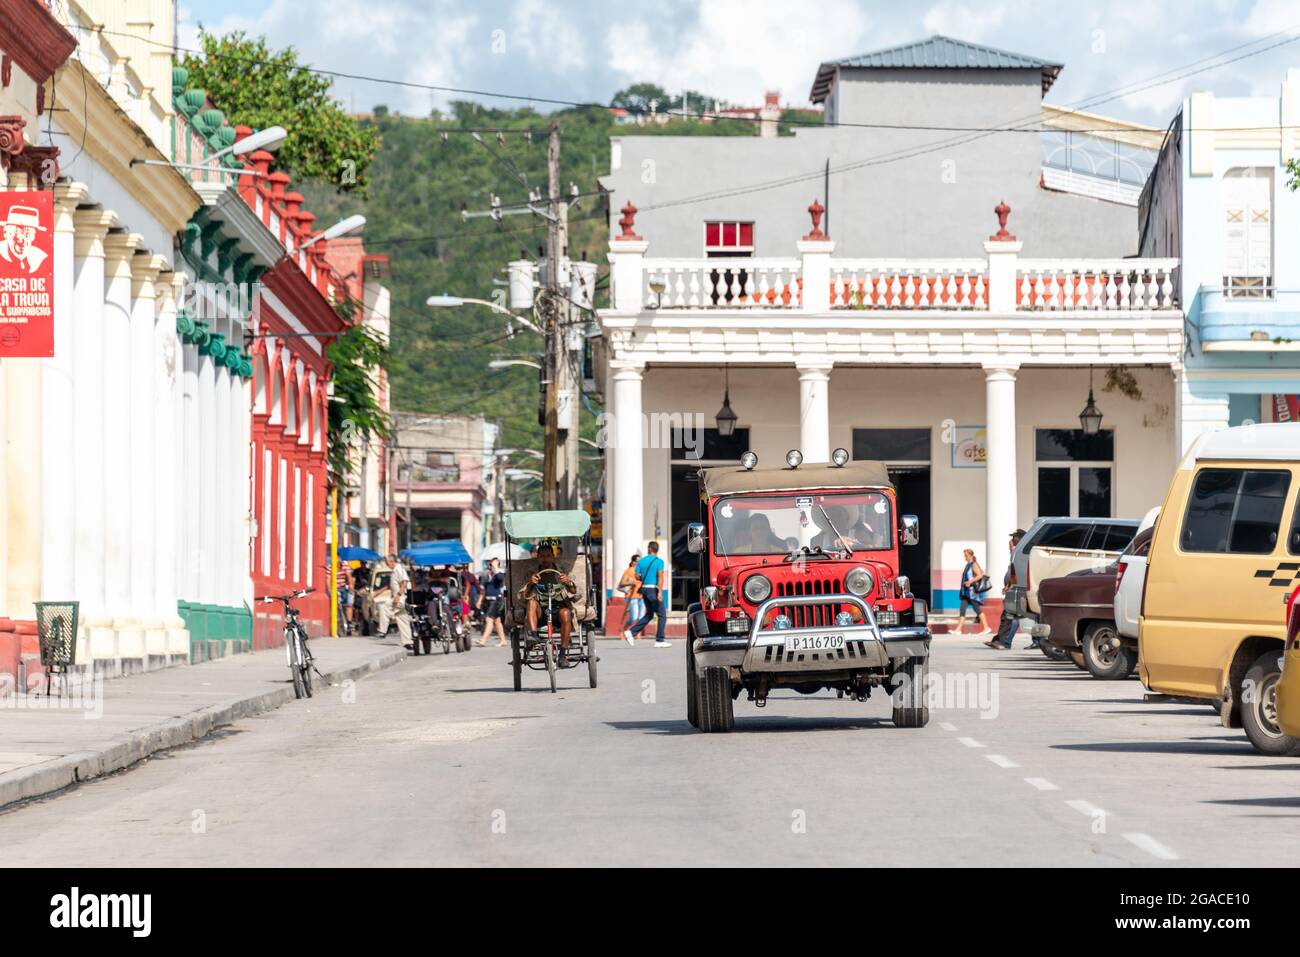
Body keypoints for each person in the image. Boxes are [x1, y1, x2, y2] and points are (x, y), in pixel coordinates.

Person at [520, 543, 577, 664]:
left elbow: (575, 592)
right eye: (542, 556)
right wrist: (531, 583)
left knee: (566, 613)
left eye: (548, 556)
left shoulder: (562, 570)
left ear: (553, 556)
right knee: (531, 602)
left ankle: (562, 655)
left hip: (558, 609)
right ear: (538, 557)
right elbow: (522, 595)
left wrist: (568, 582)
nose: (545, 559)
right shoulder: (532, 572)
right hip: (540, 613)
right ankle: (533, 636)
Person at [986, 529, 1027, 650]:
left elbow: (1017, 573)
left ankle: (1005, 641)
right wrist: (1008, 585)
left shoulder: (1020, 554)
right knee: (1009, 615)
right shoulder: (1017, 554)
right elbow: (1013, 573)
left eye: (1013, 539)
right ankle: (999, 639)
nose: (1010, 542)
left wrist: (1010, 585)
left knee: (1012, 615)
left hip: (1018, 589)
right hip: (1013, 588)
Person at [624, 541, 671, 648]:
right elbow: (660, 577)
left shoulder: (641, 561)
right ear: (657, 550)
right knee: (662, 615)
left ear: (649, 549)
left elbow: (636, 576)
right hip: (653, 589)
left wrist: (645, 577)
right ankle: (659, 640)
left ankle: (631, 632)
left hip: (644, 589)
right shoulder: (659, 561)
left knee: (649, 614)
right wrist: (659, 591)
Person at [374, 552, 413, 647]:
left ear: (392, 561)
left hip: (401, 598)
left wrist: (399, 595)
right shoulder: (395, 570)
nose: (387, 565)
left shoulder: (399, 569)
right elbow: (391, 585)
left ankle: (383, 631)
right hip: (398, 597)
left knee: (384, 607)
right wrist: (380, 591)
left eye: (387, 563)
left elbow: (404, 581)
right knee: (402, 620)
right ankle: (408, 642)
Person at [959, 548, 991, 635]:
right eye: (964, 556)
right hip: (966, 592)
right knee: (962, 609)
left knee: (977, 609)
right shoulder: (968, 565)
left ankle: (986, 627)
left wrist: (970, 582)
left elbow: (980, 575)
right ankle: (958, 629)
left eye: (966, 556)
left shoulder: (973, 564)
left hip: (971, 592)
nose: (965, 557)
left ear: (971, 555)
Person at [477, 557, 507, 647]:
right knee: (497, 621)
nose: (491, 566)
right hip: (488, 600)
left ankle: (483, 640)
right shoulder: (487, 575)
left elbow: (500, 578)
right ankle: (503, 640)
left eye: (493, 564)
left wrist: (496, 568)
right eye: (490, 564)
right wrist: (479, 601)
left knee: (489, 619)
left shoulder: (500, 574)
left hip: (496, 600)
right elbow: (483, 590)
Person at [618, 553, 643, 635]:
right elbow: (622, 583)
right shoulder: (629, 570)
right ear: (633, 562)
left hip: (642, 596)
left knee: (641, 618)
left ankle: (636, 634)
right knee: (633, 618)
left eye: (640, 561)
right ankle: (624, 629)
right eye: (637, 561)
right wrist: (631, 583)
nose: (638, 563)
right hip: (632, 597)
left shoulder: (642, 570)